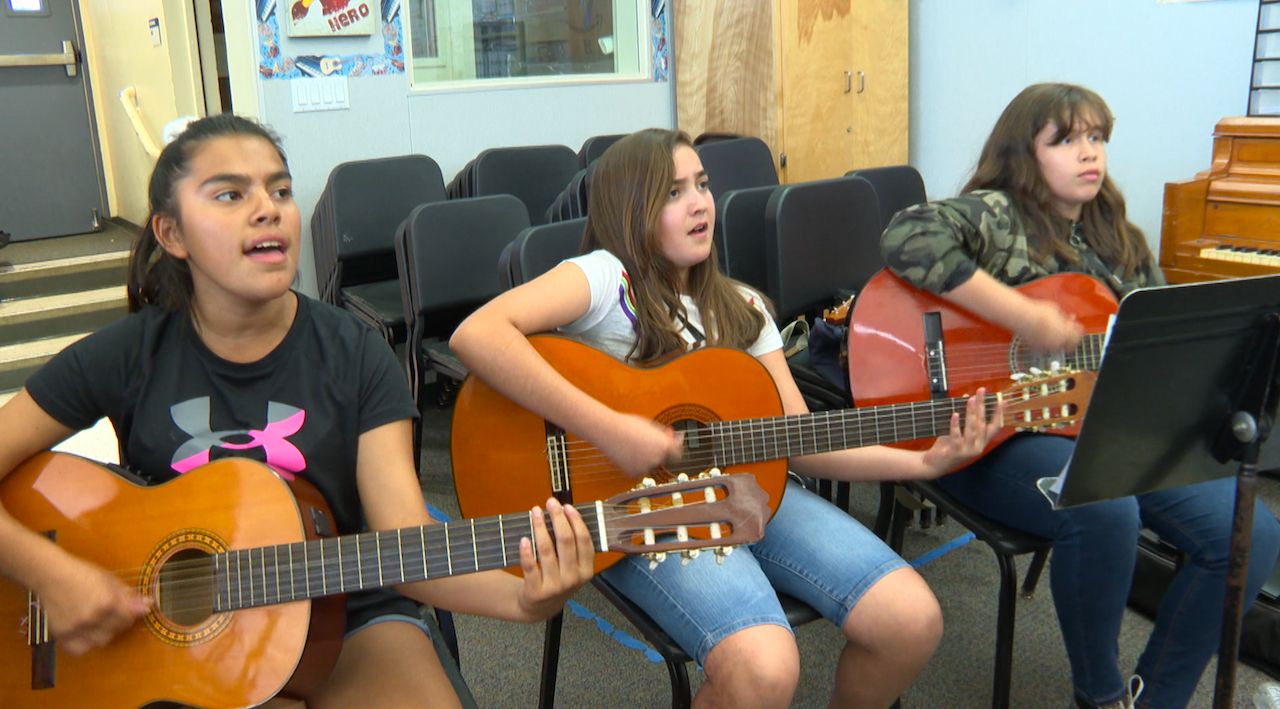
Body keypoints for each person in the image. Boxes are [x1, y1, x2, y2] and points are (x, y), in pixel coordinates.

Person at [0, 114, 595, 708]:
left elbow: (409, 546)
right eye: (231, 194)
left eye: (280, 190)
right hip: (168, 641)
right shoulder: (128, 353)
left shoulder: (356, 352)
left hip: (340, 609)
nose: (268, 208)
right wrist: (50, 575)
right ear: (171, 233)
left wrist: (524, 600)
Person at [450, 127, 1002, 708]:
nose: (699, 204)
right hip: (635, 509)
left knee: (911, 619)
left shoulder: (744, 308)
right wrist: (608, 429)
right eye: (672, 192)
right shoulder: (604, 279)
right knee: (764, 668)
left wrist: (924, 459)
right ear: (629, 209)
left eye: (703, 185)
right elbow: (477, 334)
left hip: (753, 490)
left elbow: (801, 437)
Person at [880, 82, 1280, 709]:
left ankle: (1157, 698)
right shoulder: (996, 214)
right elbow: (906, 237)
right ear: (1023, 154)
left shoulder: (1117, 238)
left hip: (1098, 429)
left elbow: (1161, 341)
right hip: (987, 432)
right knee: (1103, 507)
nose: (1089, 152)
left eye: (1097, 137)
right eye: (1066, 140)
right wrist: (1022, 317)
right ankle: (1098, 696)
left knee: (1251, 529)